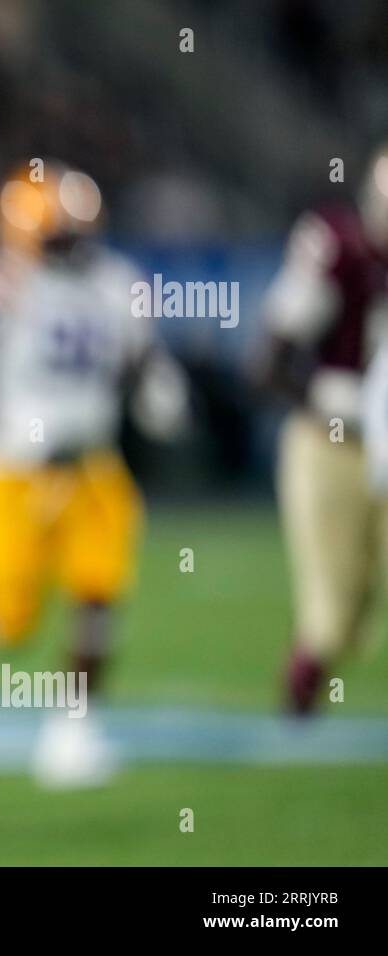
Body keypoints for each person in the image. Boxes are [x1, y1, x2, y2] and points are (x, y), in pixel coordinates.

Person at [0, 160, 187, 787]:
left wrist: (158, 389)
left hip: (92, 465)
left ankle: (75, 731)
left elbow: (139, 360)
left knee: (100, 594)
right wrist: (5, 420)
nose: (74, 247)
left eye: (78, 232)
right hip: (10, 471)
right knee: (9, 628)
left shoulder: (116, 282)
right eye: (59, 235)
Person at [255, 143, 388, 714]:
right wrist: (334, 397)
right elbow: (268, 363)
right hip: (332, 445)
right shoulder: (339, 248)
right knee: (332, 619)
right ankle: (297, 712)